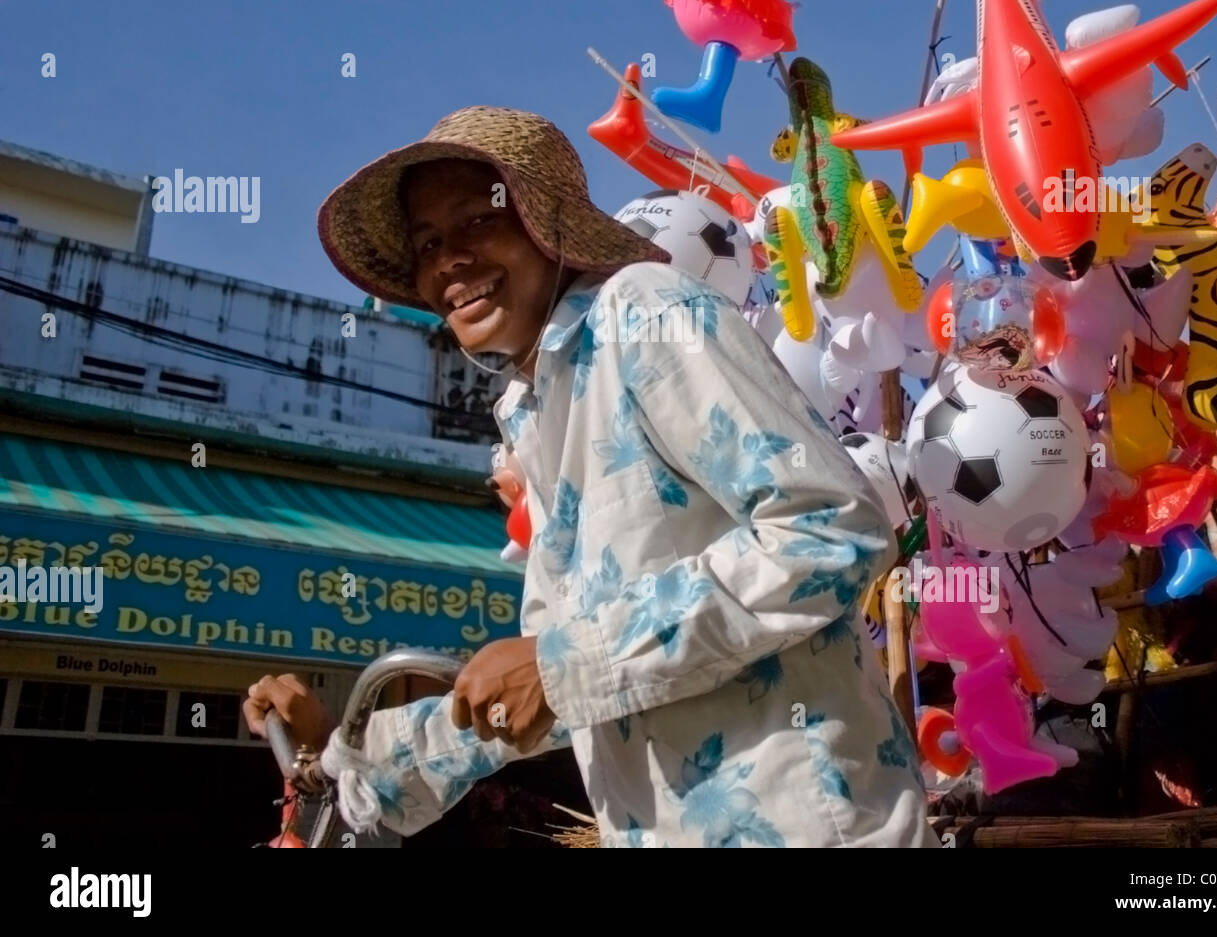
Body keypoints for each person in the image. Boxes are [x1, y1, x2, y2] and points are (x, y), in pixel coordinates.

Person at [244, 105, 937, 848]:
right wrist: (345, 754)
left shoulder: (646, 311)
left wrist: (564, 666)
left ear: (547, 225)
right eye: (428, 243)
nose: (448, 261)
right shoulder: (535, 407)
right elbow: (551, 689)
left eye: (478, 222)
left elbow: (832, 526)